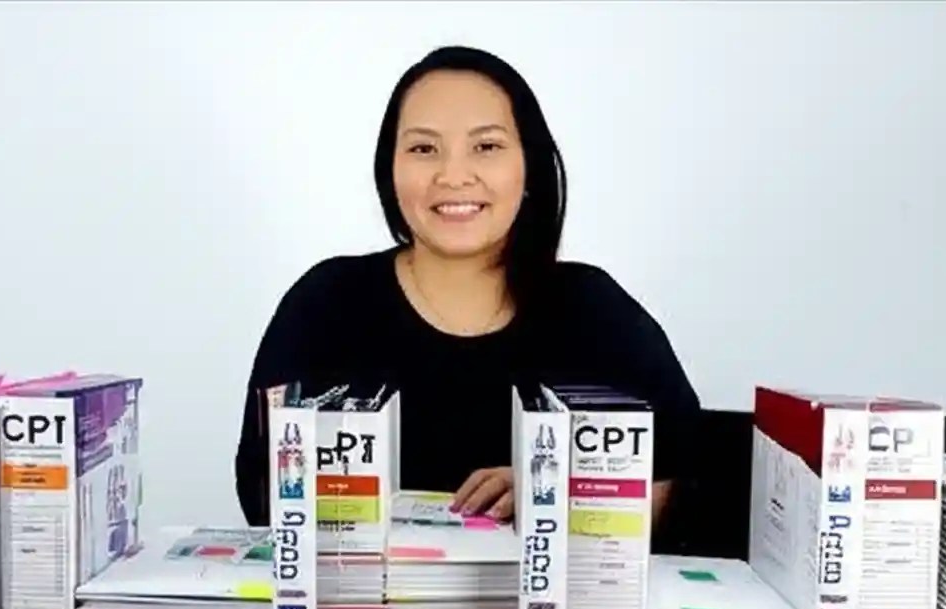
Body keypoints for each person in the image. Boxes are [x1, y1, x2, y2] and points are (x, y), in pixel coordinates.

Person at [235, 45, 701, 536]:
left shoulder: (596, 311)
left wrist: (563, 496)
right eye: (423, 148)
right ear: (389, 171)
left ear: (529, 169)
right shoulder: (325, 305)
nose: (453, 176)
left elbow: (688, 477)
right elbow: (261, 489)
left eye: (487, 147)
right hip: (364, 605)